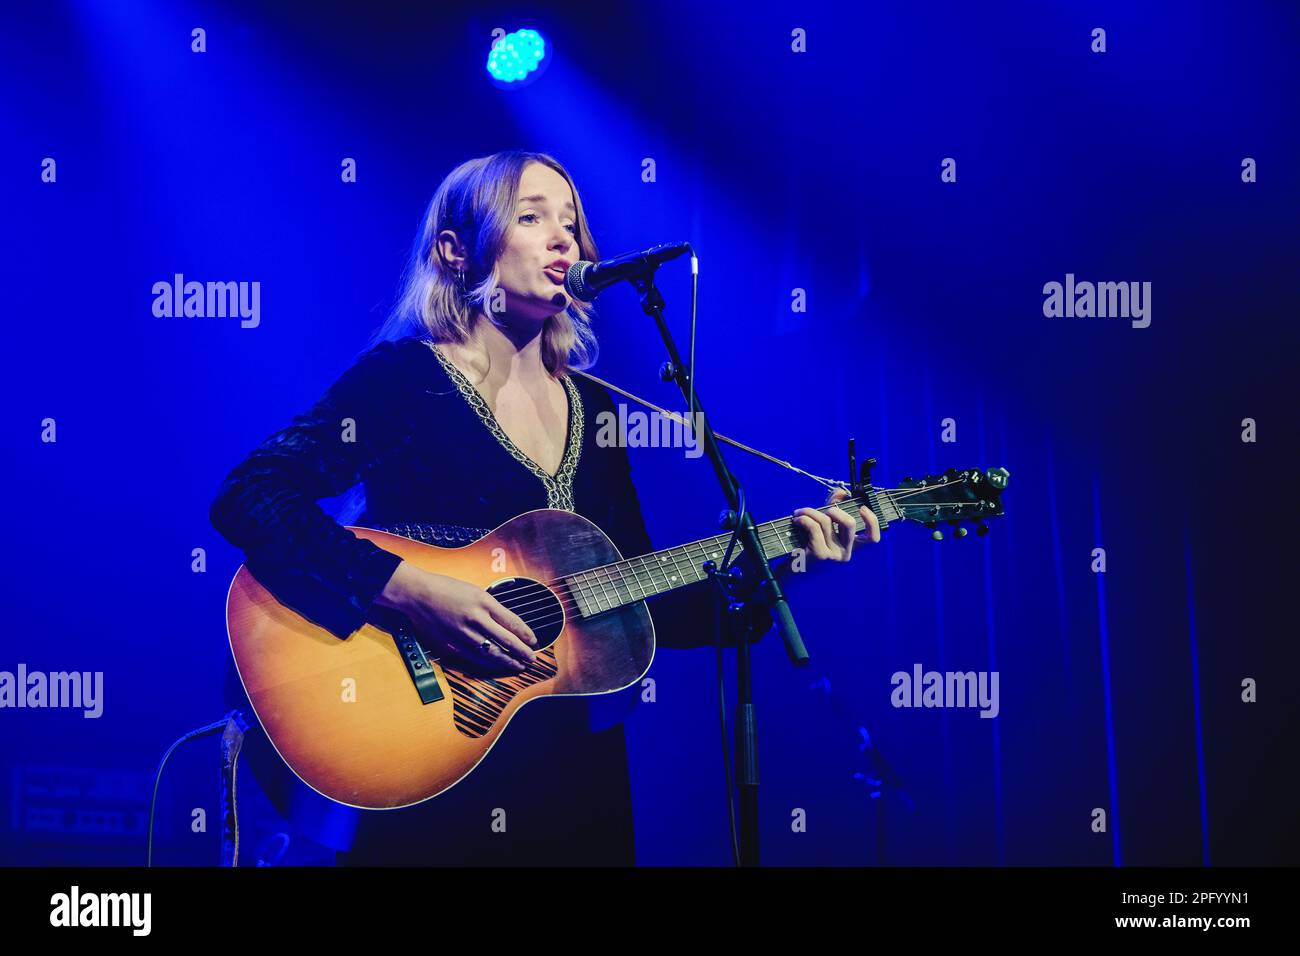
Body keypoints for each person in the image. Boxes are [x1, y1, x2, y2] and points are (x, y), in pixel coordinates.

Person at [209, 150, 880, 866]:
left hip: (574, 771)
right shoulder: (404, 379)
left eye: (571, 221)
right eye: (532, 217)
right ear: (455, 249)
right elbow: (250, 494)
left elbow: (646, 603)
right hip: (434, 752)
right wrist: (412, 590)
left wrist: (794, 563)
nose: (566, 239)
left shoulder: (596, 409)